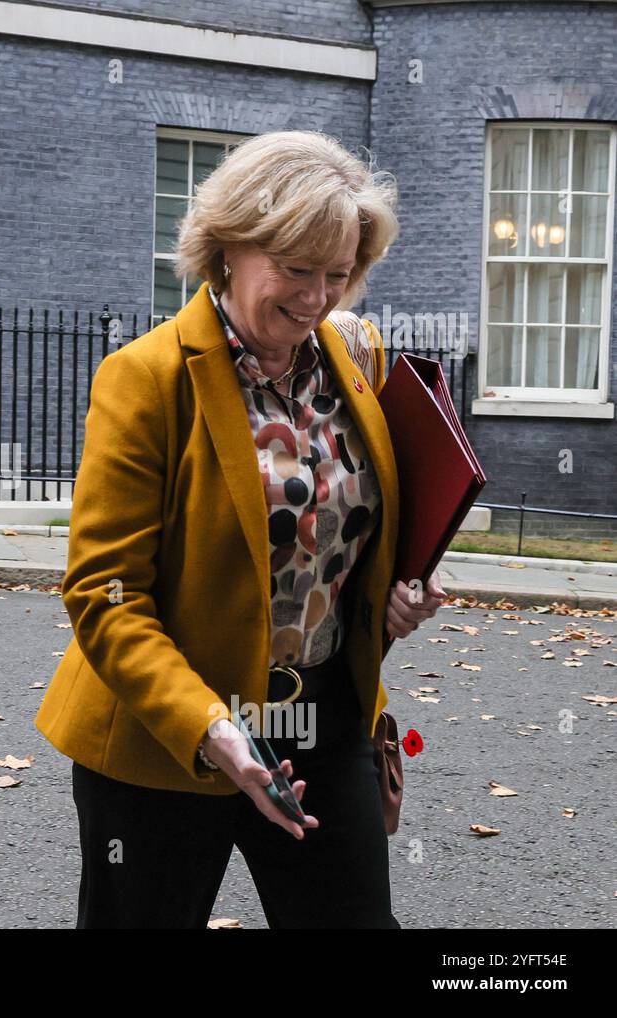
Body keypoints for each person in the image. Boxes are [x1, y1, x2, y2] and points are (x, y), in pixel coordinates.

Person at [35, 130, 445, 929]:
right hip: (166, 738)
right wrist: (214, 728)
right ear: (227, 248)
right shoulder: (146, 379)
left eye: (339, 273)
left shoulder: (358, 358)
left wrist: (402, 588)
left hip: (322, 720)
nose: (317, 296)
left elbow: (357, 538)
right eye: (296, 269)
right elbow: (105, 596)